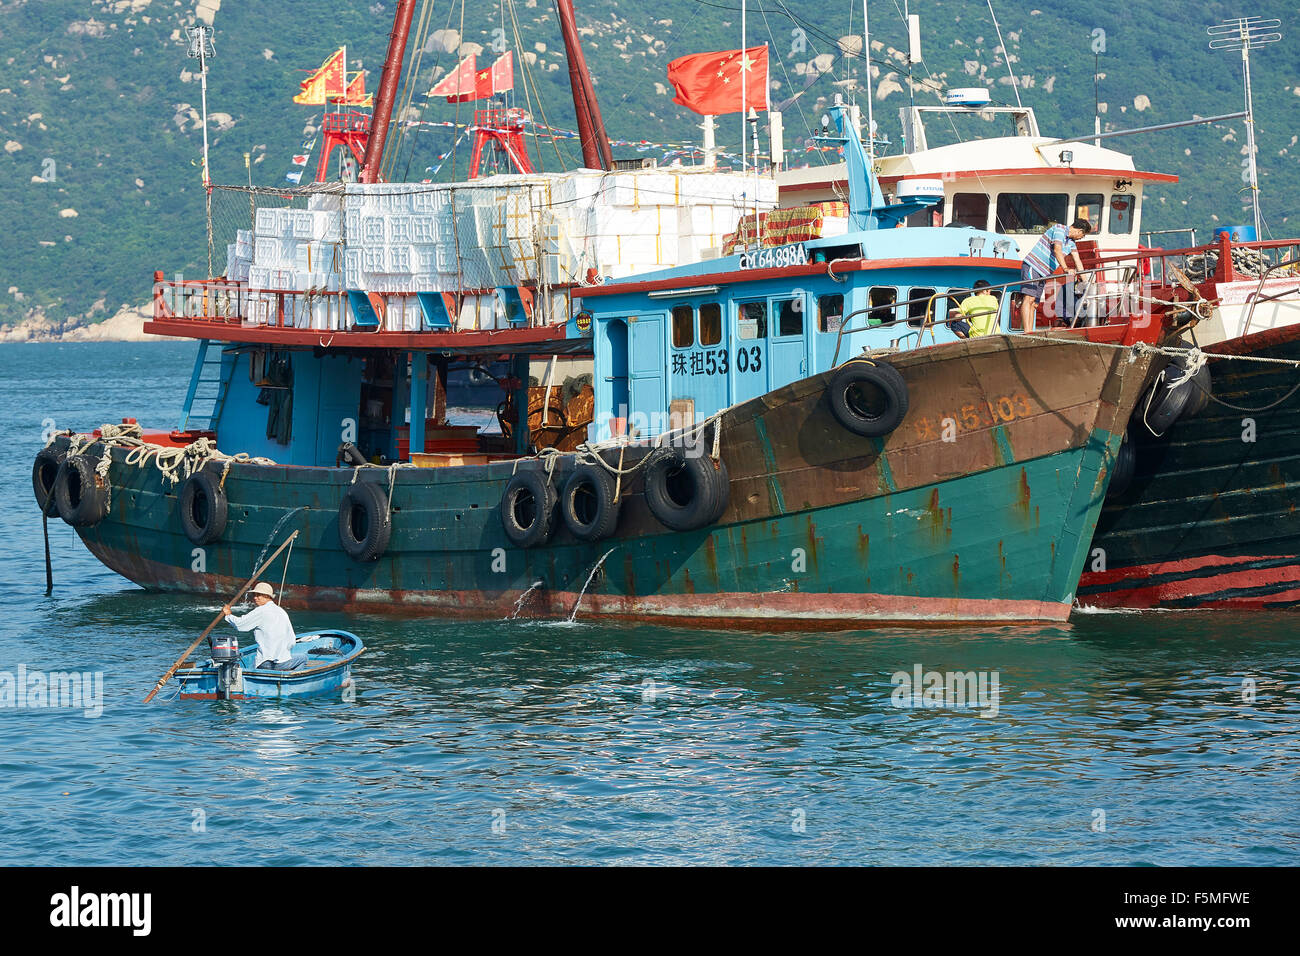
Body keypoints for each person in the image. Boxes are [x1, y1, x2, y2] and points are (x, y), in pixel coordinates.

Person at [1018, 218, 1091, 331]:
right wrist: (1065, 268)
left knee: (1035, 304)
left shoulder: (1071, 243)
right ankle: (1027, 332)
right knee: (1029, 298)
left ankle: (1030, 332)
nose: (1082, 237)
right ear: (1079, 231)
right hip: (1033, 265)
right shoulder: (1059, 229)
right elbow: (1057, 250)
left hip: (1044, 273)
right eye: (1083, 235)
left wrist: (1086, 283)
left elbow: (1078, 260)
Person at [222, 582, 296, 670]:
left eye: (258, 595)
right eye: (254, 595)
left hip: (265, 663)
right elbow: (292, 640)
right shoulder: (282, 611)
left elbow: (240, 625)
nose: (255, 598)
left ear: (267, 596)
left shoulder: (261, 611)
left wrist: (228, 615)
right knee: (303, 659)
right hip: (282, 662)